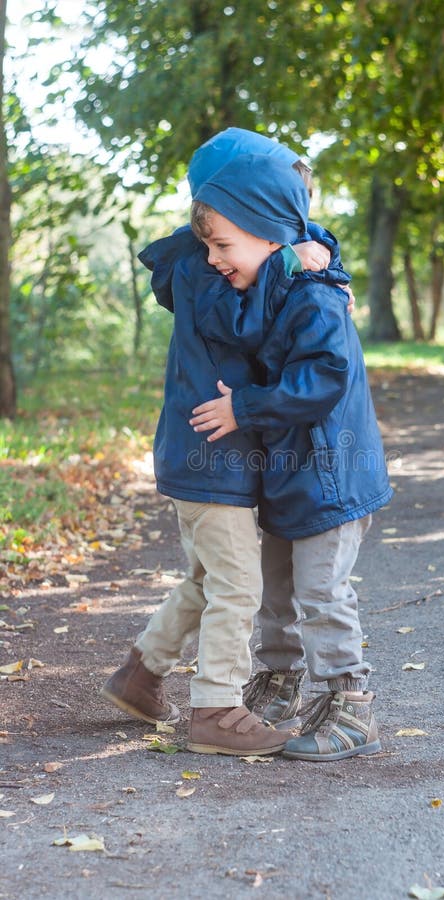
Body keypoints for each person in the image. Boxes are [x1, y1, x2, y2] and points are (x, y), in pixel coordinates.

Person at [100, 129, 332, 756]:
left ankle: (141, 674)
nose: (223, 256)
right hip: (211, 458)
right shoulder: (208, 275)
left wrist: (306, 250)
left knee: (206, 579)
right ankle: (217, 709)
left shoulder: (211, 256)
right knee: (237, 586)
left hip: (210, 460)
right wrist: (293, 262)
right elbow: (252, 323)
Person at [189, 153, 393, 761]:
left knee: (322, 592)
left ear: (270, 234)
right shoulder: (273, 283)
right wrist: (283, 254)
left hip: (330, 476)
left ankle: (350, 705)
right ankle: (278, 685)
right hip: (287, 475)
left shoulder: (315, 296)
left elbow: (326, 376)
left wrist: (244, 409)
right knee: (276, 591)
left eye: (223, 244)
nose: (213, 260)